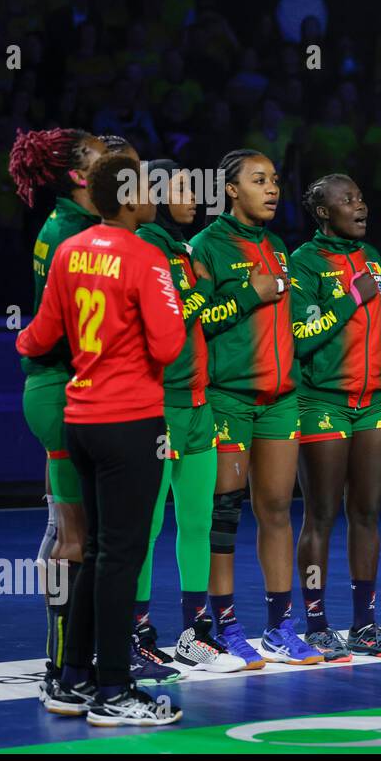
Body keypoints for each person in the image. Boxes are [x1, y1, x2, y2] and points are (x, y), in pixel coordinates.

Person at [17, 151, 186, 725]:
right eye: (146, 187)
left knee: (94, 552)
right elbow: (169, 347)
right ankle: (115, 690)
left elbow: (39, 335)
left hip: (81, 419)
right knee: (121, 556)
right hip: (129, 422)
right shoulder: (147, 256)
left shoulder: (69, 250)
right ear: (130, 199)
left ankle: (72, 680)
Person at [190, 150, 322, 667]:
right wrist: (249, 293)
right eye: (258, 180)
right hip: (229, 397)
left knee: (275, 511)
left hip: (280, 401)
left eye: (274, 181)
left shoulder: (275, 245)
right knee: (224, 514)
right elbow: (198, 321)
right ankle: (222, 627)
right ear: (228, 190)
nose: (272, 189)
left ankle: (279, 626)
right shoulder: (206, 246)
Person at [290, 174, 381, 660]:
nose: (360, 207)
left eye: (361, 198)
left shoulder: (374, 260)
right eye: (348, 201)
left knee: (366, 514)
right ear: (322, 211)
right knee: (320, 515)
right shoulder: (304, 262)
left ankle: (364, 624)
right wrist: (350, 298)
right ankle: (317, 623)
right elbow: (300, 335)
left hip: (375, 402)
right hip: (323, 401)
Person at [135, 159, 245, 672]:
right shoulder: (147, 250)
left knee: (197, 523)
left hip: (199, 404)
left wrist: (198, 289)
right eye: (181, 189)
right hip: (160, 405)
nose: (193, 197)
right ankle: (136, 633)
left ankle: (193, 633)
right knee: (147, 525)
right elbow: (175, 314)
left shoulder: (180, 249)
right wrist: (205, 290)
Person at [9, 127, 107, 706]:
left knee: (62, 530)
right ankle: (62, 669)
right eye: (100, 157)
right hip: (63, 392)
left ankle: (71, 660)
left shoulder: (63, 225)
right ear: (77, 173)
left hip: (56, 388)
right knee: (75, 540)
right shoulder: (76, 233)